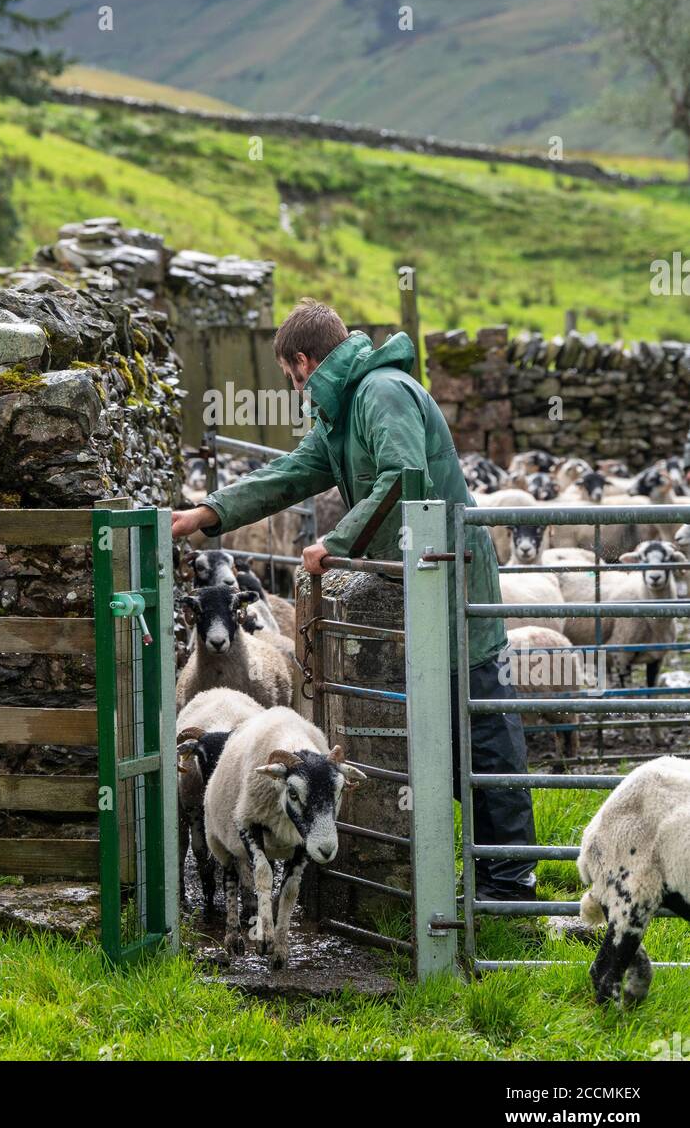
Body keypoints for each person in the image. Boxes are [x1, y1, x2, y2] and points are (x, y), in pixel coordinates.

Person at [171, 300, 536, 900]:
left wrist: (335, 542)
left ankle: (509, 886)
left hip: (453, 583)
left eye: (294, 380)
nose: (297, 391)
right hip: (416, 582)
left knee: (484, 726)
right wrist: (207, 514)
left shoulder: (381, 394)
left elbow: (403, 476)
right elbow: (288, 474)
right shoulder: (344, 417)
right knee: (441, 730)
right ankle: (477, 880)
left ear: (303, 361)